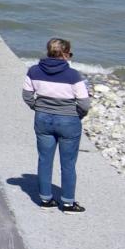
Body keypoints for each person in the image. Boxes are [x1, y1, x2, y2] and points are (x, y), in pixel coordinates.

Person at [23, 38, 91, 211]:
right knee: (68, 163)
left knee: (44, 159)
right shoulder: (73, 75)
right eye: (70, 54)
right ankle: (68, 202)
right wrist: (77, 115)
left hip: (43, 119)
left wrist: (39, 108)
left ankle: (45, 200)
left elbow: (27, 96)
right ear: (65, 53)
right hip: (68, 120)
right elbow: (84, 103)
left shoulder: (34, 71)